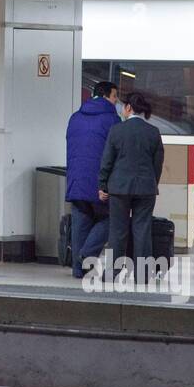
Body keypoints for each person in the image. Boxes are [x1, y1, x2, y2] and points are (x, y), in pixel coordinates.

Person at [98, 91, 164, 282]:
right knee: (142, 229)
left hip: (119, 188)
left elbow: (107, 161)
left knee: (118, 230)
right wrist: (151, 183)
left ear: (128, 108)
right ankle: (143, 275)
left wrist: (103, 184)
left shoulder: (117, 130)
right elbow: (157, 164)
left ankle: (112, 272)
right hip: (146, 188)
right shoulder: (153, 132)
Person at [64, 80, 120, 278]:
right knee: (111, 218)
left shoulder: (75, 117)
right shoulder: (112, 120)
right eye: (114, 96)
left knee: (81, 222)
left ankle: (78, 269)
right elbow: (116, 152)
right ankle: (85, 256)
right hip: (99, 183)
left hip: (76, 180)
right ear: (105, 96)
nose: (116, 101)